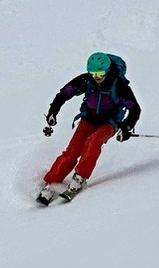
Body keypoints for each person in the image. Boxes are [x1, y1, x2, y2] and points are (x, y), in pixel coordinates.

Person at [38, 51, 140, 202]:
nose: (97, 77)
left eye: (100, 73)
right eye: (93, 73)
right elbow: (64, 94)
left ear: (107, 70)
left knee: (93, 142)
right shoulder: (86, 80)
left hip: (109, 122)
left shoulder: (119, 85)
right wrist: (53, 112)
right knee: (72, 150)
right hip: (88, 119)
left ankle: (80, 177)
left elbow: (135, 109)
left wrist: (126, 127)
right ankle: (52, 182)